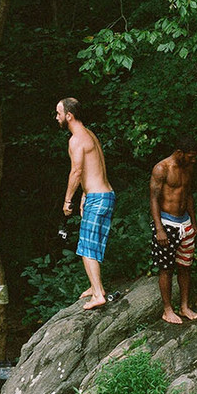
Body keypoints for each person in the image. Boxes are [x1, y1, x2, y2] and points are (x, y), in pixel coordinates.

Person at [56, 97, 115, 311]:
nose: (57, 118)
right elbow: (95, 167)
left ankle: (98, 294)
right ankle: (94, 286)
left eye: (59, 114)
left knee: (87, 247)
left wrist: (68, 199)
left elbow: (77, 171)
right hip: (104, 194)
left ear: (69, 116)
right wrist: (84, 195)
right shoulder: (89, 134)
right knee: (94, 243)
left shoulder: (76, 139)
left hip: (98, 197)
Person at [150, 139, 197, 324]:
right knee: (166, 268)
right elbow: (154, 199)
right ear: (180, 152)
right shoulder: (161, 169)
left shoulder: (188, 167)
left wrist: (193, 223)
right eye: (191, 156)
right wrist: (159, 229)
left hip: (185, 223)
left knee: (185, 267)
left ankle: (184, 306)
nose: (194, 160)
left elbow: (188, 195)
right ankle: (167, 310)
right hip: (166, 223)